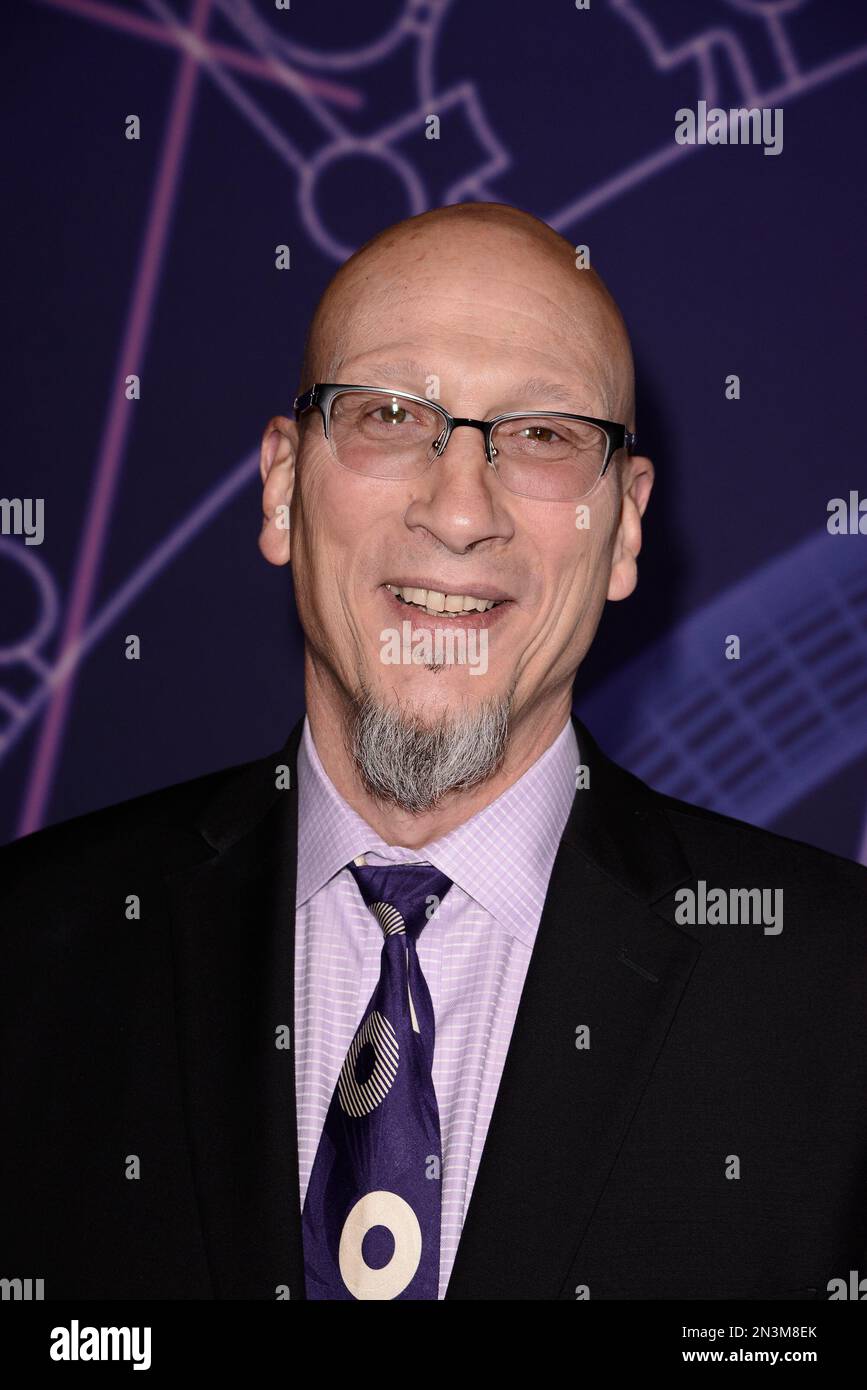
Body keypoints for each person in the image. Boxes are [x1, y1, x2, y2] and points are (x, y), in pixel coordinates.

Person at [1, 203, 864, 1301]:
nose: (459, 511)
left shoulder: (841, 1001)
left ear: (626, 526)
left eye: (543, 434)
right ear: (281, 486)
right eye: (391, 415)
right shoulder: (29, 952)